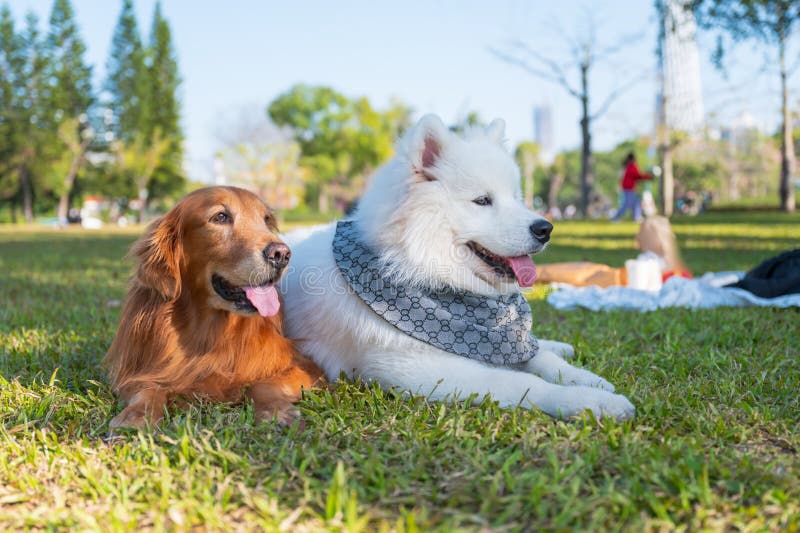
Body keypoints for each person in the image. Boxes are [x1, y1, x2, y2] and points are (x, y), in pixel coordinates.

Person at [611, 152, 652, 222]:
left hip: (627, 188)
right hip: (628, 188)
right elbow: (637, 176)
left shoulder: (627, 166)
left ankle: (636, 217)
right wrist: (648, 176)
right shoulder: (632, 166)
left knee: (636, 203)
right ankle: (615, 218)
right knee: (626, 205)